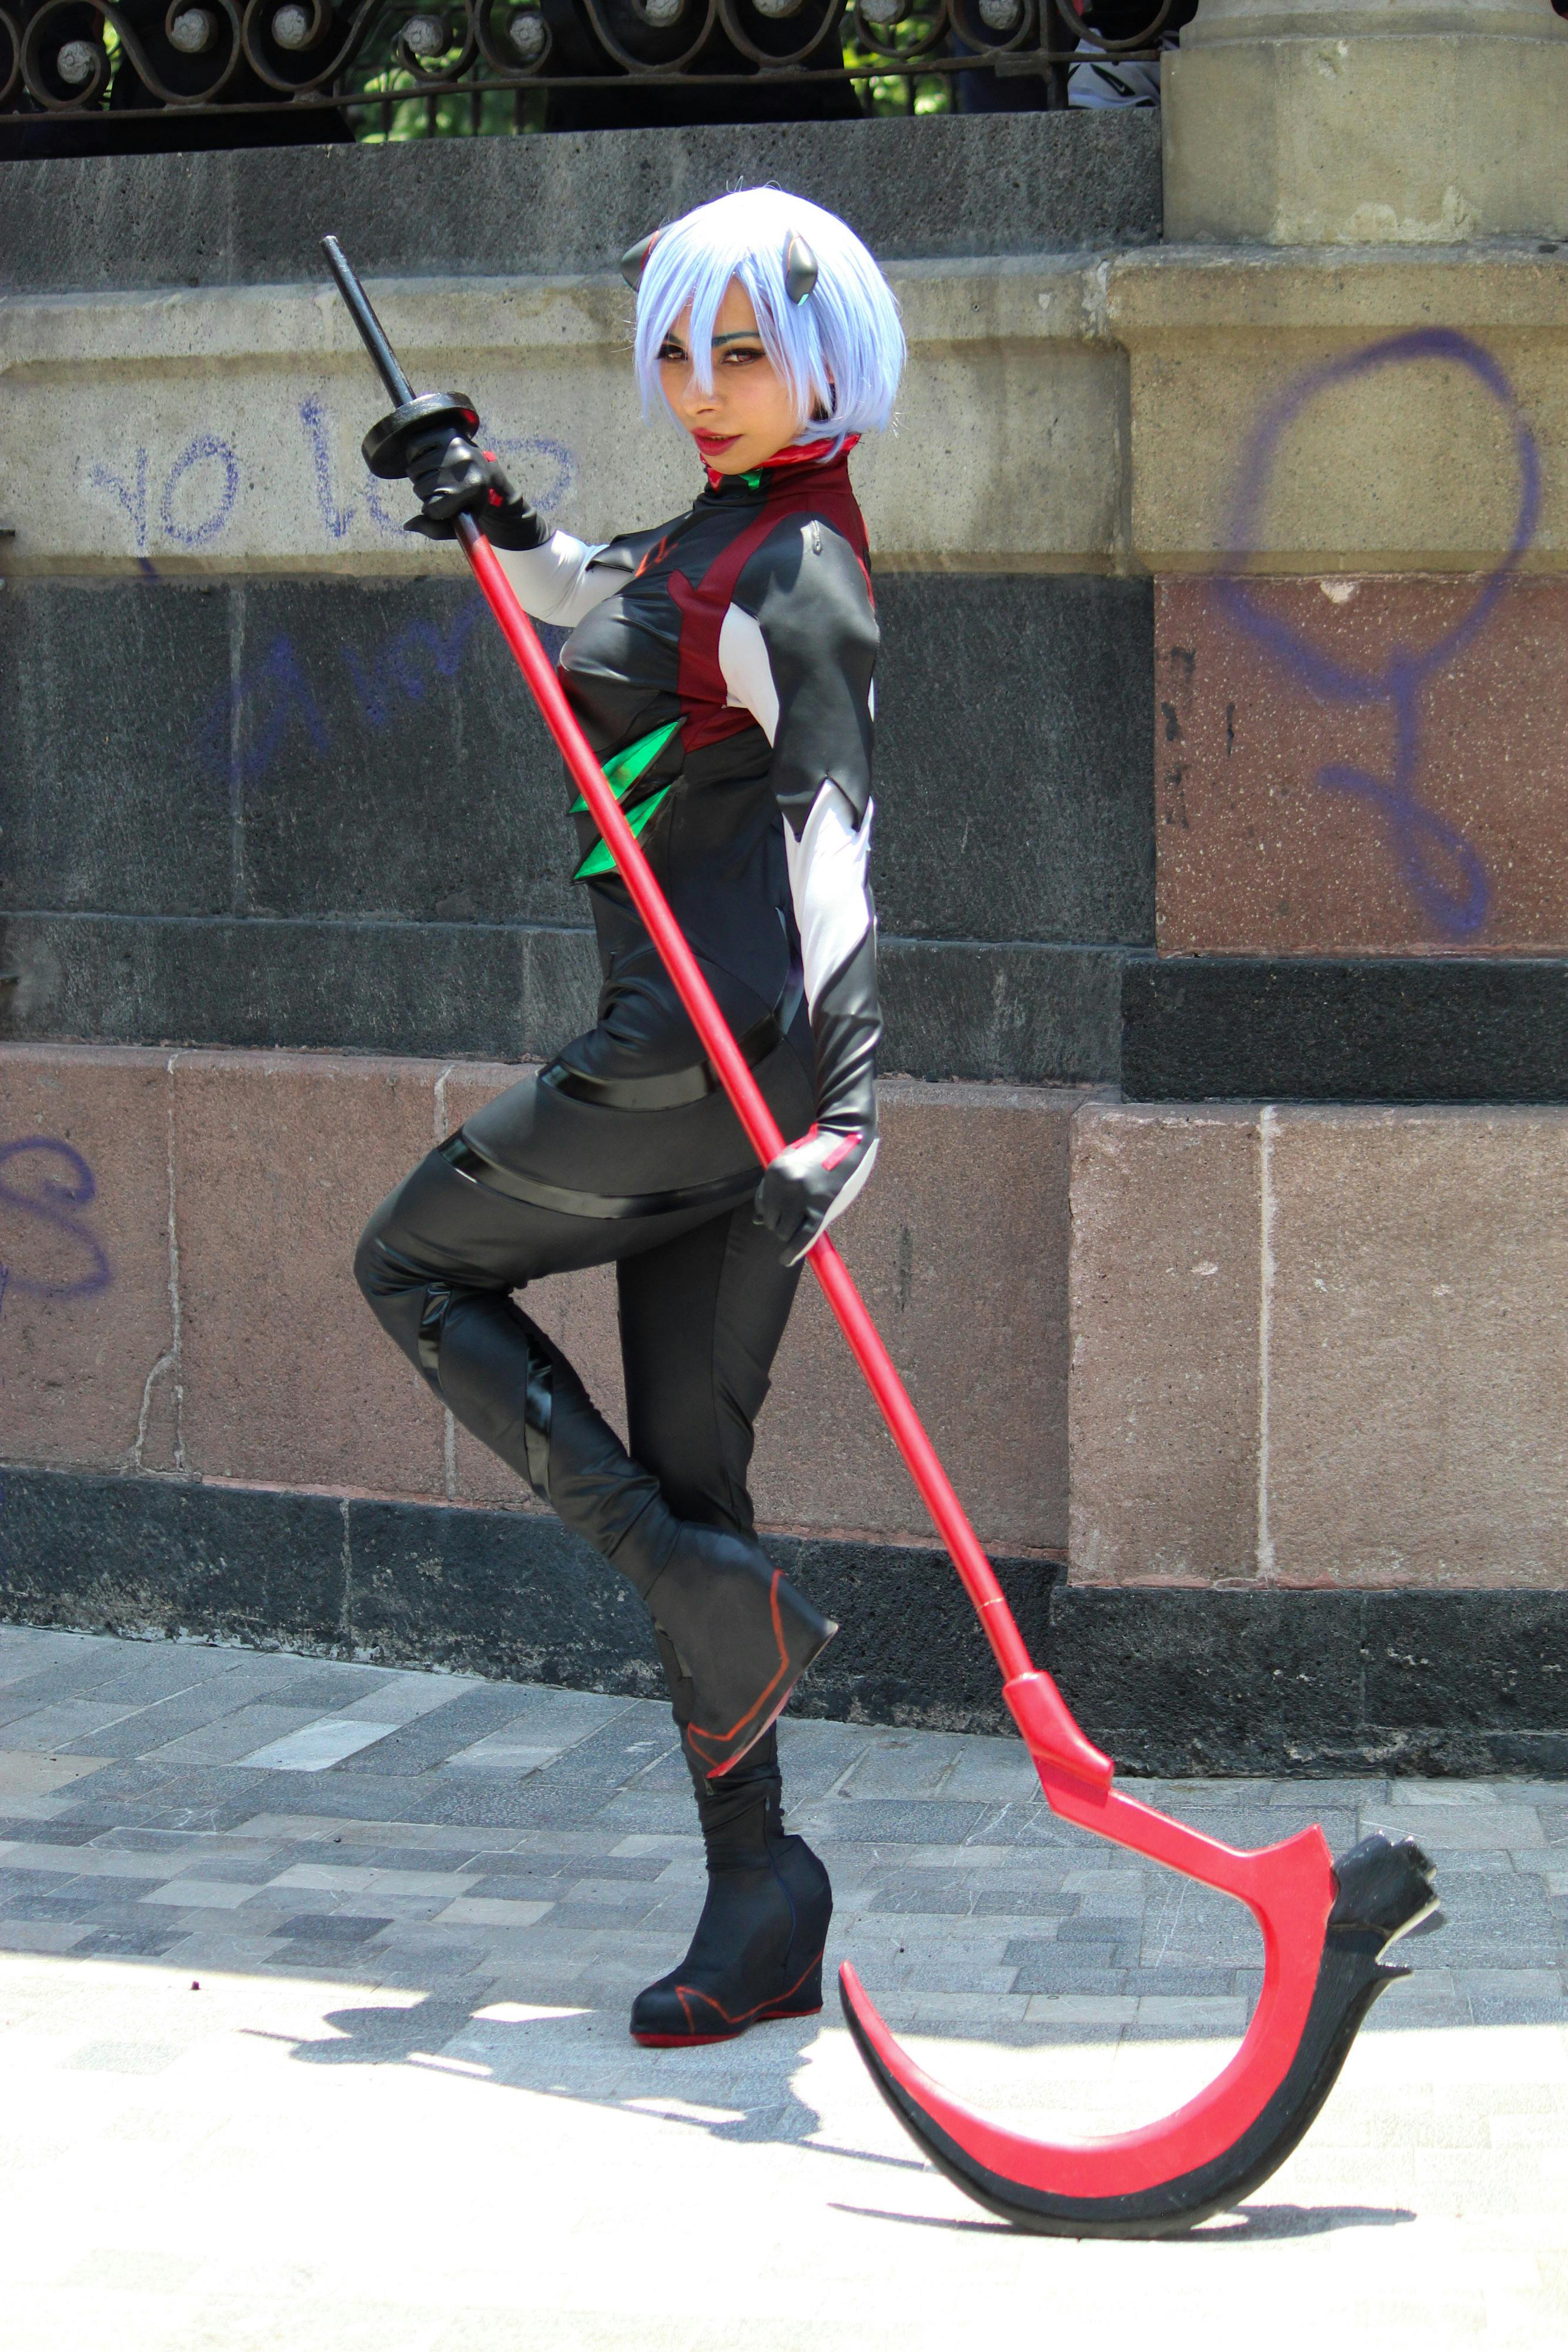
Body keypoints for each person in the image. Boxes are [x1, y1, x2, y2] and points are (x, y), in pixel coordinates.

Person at [355, 187, 905, 2047]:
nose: (698, 380)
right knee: (693, 1462)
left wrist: (851, 1101)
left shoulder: (798, 569)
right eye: (679, 345)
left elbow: (835, 827)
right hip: (719, 1084)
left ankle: (687, 1578)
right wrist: (492, 512)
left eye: (739, 348)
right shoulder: (732, 536)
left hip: (685, 1067)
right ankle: (760, 1894)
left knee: (414, 1265)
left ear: (824, 358)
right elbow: (609, 607)